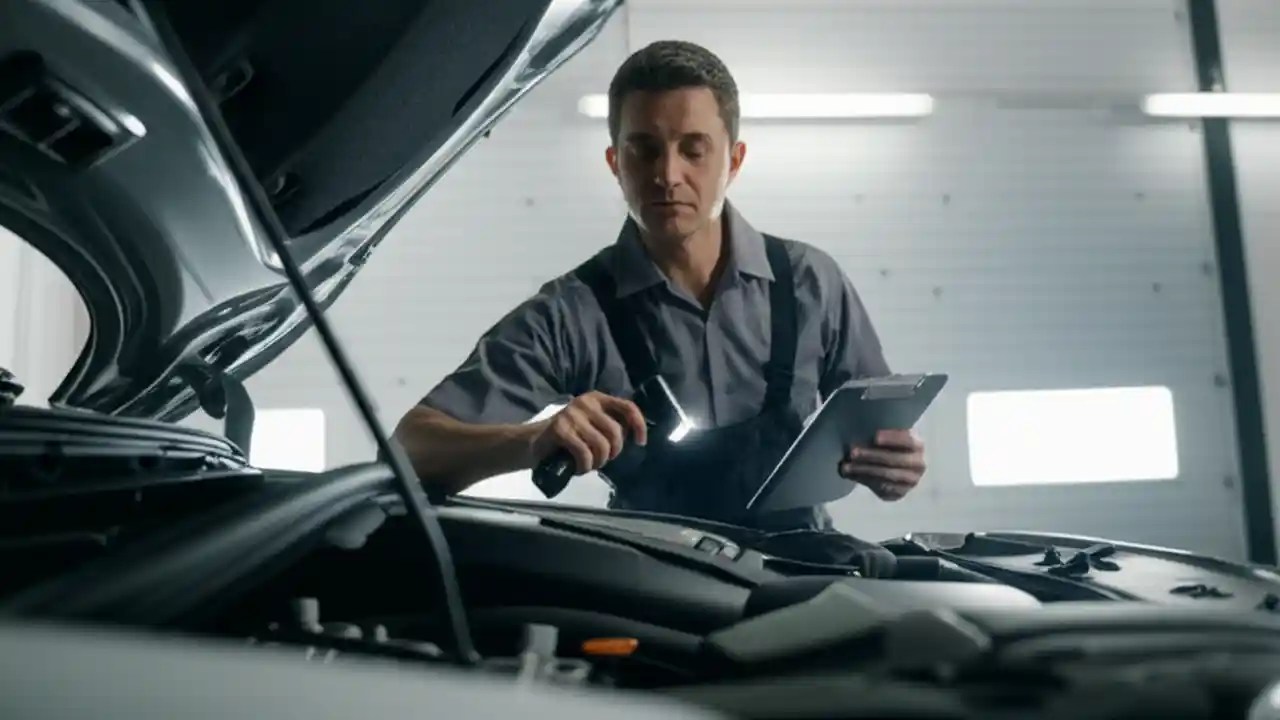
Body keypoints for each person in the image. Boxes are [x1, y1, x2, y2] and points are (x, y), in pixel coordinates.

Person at [394, 40, 926, 533]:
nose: (667, 175)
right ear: (614, 163)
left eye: (693, 149)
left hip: (799, 578)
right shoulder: (572, 314)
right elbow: (407, 449)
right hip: (656, 591)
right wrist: (532, 439)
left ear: (733, 161)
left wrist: (895, 466)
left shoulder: (811, 283)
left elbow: (882, 434)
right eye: (643, 150)